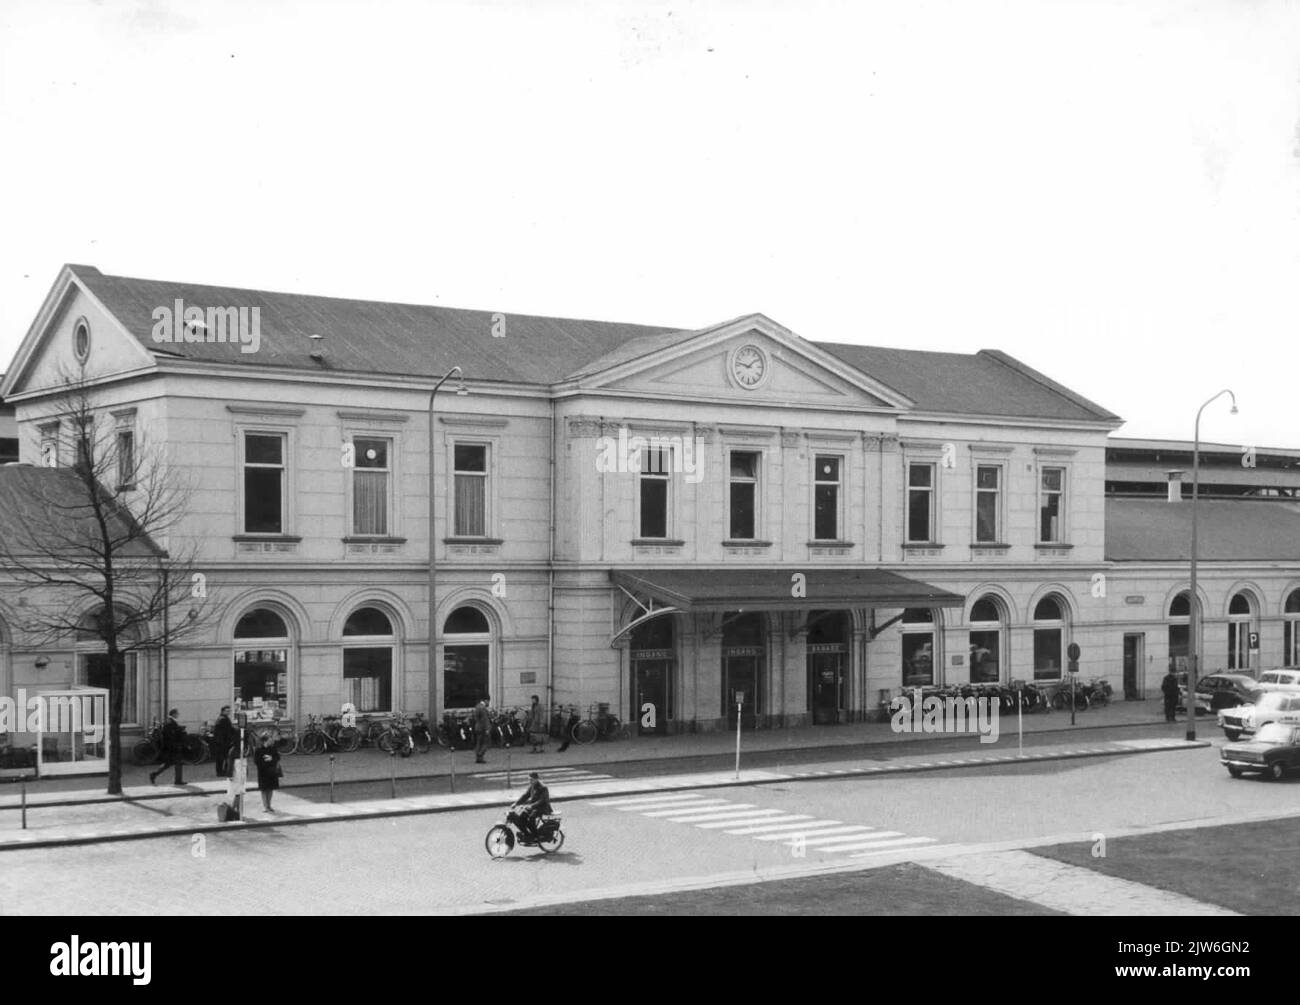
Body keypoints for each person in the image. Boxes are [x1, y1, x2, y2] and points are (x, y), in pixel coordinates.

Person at [509, 771, 552, 842]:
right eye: (529, 779)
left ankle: (536, 836)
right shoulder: (532, 786)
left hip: (543, 807)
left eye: (531, 779)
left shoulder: (543, 787)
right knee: (522, 816)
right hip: (534, 807)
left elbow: (541, 801)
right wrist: (516, 803)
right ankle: (527, 834)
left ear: (536, 779)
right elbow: (525, 796)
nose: (530, 781)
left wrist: (531, 806)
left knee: (531, 817)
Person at [150, 708, 186, 785]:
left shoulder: (170, 721)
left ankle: (154, 774)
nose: (178, 715)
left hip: (170, 746)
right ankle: (178, 780)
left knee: (168, 763)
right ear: (173, 714)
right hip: (172, 746)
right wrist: (180, 733)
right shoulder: (170, 722)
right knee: (178, 762)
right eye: (177, 713)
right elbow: (170, 734)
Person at [254, 732, 281, 813]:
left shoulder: (273, 748)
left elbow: (277, 757)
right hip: (263, 772)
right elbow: (256, 761)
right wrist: (265, 763)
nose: (271, 740)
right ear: (265, 740)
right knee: (264, 789)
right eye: (270, 738)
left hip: (272, 771)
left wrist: (271, 758)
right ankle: (265, 806)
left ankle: (269, 805)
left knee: (270, 789)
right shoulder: (259, 749)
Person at [212, 705, 237, 778]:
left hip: (220, 741)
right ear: (223, 711)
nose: (228, 712)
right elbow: (228, 730)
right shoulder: (223, 719)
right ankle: (221, 771)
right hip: (222, 742)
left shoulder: (221, 718)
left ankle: (221, 771)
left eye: (229, 711)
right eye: (227, 711)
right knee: (223, 757)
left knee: (221, 757)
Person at [473, 698, 491, 764]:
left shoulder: (477, 706)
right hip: (483, 728)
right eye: (489, 701)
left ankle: (478, 757)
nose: (489, 703)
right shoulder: (483, 708)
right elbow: (485, 720)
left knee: (478, 743)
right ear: (485, 700)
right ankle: (480, 755)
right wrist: (487, 729)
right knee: (486, 742)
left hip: (477, 727)